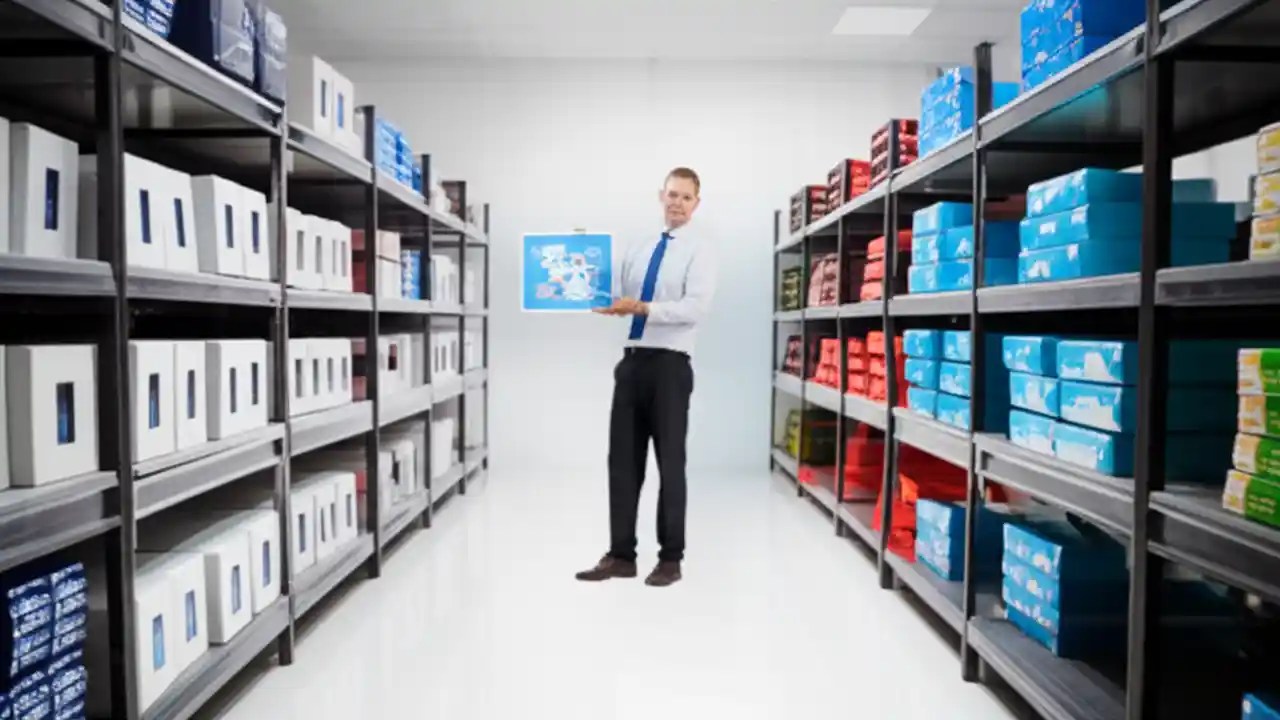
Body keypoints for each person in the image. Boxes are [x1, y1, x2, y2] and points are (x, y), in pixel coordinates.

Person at [575, 167, 717, 588]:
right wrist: (580, 260)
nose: (677, 202)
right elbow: (613, 289)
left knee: (670, 463)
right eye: (672, 194)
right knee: (622, 461)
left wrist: (643, 309)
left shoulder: (700, 250)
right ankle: (621, 555)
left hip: (671, 366)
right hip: (633, 362)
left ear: (696, 203)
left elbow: (696, 308)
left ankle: (670, 559)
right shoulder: (639, 246)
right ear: (661, 195)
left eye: (686, 197)